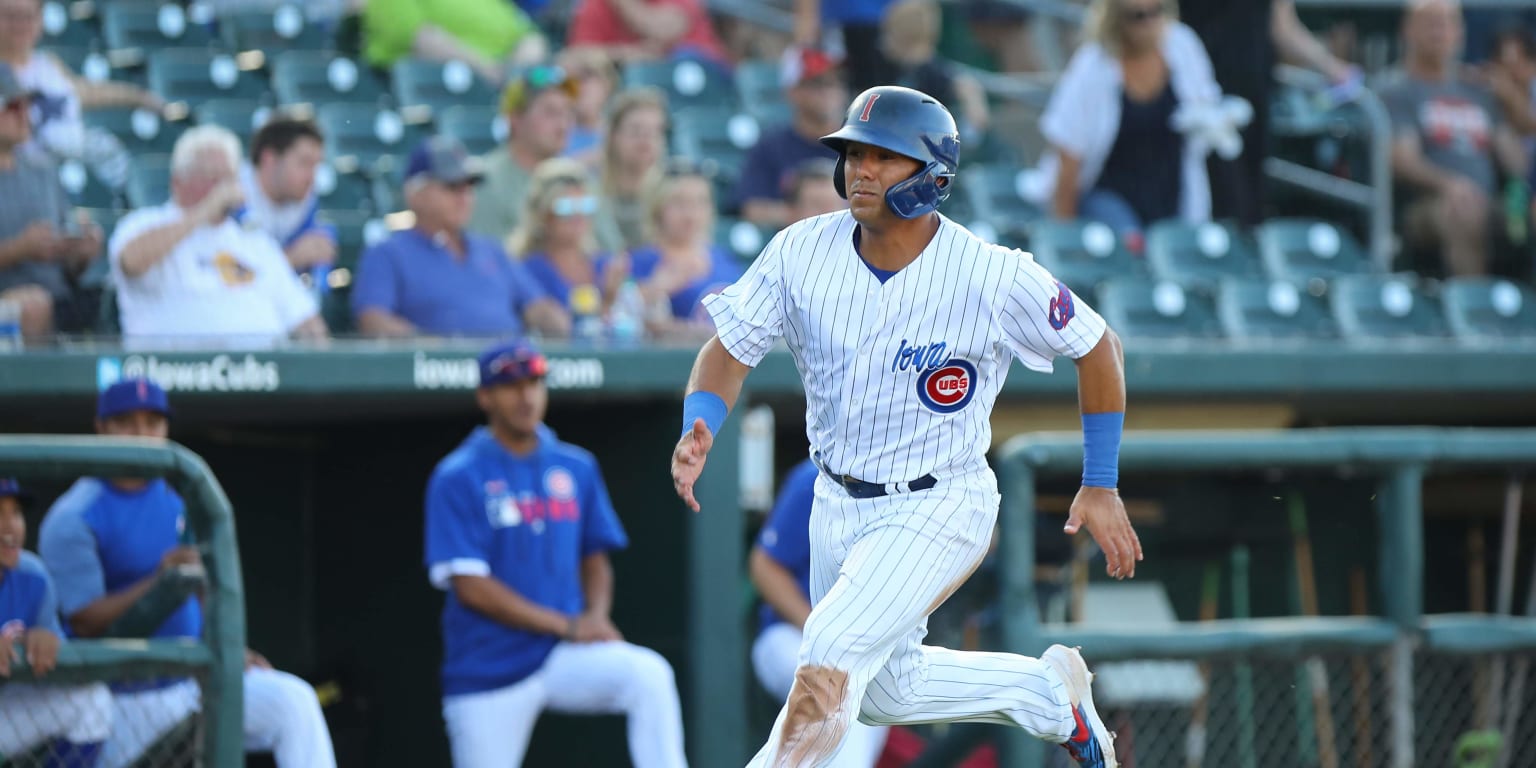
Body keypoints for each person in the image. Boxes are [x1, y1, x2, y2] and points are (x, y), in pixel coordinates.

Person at [669, 86, 1138, 768]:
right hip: (836, 499)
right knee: (888, 691)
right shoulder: (801, 250)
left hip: (938, 500)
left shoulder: (991, 273)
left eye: (885, 157)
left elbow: (1099, 346)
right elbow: (728, 350)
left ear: (933, 176)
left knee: (827, 654)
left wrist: (1100, 482)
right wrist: (701, 420)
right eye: (854, 152)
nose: (861, 169)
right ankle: (1046, 696)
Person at [38, 378, 337, 768]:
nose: (142, 434)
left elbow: (202, 586)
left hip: (193, 680)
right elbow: (83, 620)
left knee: (294, 702)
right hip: (124, 698)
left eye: (153, 422)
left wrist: (226, 647)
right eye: (126, 422)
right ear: (101, 428)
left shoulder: (176, 497)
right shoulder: (74, 515)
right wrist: (158, 581)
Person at [425, 340, 689, 768]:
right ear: (485, 396)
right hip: (489, 664)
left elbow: (594, 555)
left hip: (562, 653)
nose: (527, 396)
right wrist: (567, 625)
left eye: (535, 383)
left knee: (649, 676)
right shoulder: (458, 474)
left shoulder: (575, 465)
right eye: (511, 386)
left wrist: (596, 616)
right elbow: (470, 586)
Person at [1027, 0, 1226, 251]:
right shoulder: (1092, 66)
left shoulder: (1183, 45)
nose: (1150, 23)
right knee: (1132, 246)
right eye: (1138, 16)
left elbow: (1207, 106)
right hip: (1108, 197)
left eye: (1157, 12)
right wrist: (1065, 240)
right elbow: (1068, 156)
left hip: (1169, 193)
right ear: (1115, 20)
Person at [108, 126, 328, 348]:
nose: (222, 188)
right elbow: (130, 262)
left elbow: (305, 318)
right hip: (174, 371)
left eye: (228, 178)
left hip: (260, 372)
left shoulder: (255, 241)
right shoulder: (144, 223)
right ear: (178, 181)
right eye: (211, 177)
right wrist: (203, 212)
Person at [353, 136, 570, 339]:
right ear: (415, 194)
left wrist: (556, 322)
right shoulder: (388, 253)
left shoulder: (491, 250)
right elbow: (373, 322)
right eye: (452, 186)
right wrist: (437, 351)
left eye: (469, 187)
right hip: (434, 374)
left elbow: (539, 309)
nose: (464, 197)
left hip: (507, 372)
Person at [749, 458, 888, 768]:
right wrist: (822, 629)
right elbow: (764, 566)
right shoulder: (815, 477)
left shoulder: (910, 482)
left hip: (863, 649)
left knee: (871, 696)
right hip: (790, 635)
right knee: (844, 689)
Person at [1178, 0, 1360, 226]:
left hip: (1253, 98)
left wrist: (1332, 67)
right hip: (1195, 100)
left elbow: (1283, 29)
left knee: (1247, 207)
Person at [1381, 0, 1528, 277]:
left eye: (1448, 22)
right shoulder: (1396, 89)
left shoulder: (1477, 90)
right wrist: (1449, 184)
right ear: (1408, 30)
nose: (1440, 31)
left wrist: (1508, 96)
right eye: (1431, 22)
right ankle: (1476, 310)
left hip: (1495, 202)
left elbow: (1517, 164)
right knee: (1463, 209)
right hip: (1426, 206)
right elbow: (1403, 161)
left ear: (1460, 32)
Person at [0, 478, 113, 767]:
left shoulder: (34, 576)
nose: (10, 526)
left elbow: (60, 666)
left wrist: (39, 638)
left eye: (15, 513)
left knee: (92, 702)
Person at [0, 0, 157, 187]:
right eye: (11, 15)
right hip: (21, 184)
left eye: (28, 16)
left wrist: (140, 98)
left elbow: (87, 92)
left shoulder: (48, 64)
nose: (20, 24)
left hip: (70, 174)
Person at [0, 61, 100, 339]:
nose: (25, 116)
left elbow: (65, 270)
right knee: (32, 304)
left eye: (26, 106)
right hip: (12, 304)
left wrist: (78, 253)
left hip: (58, 301)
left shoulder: (43, 172)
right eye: (12, 107)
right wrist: (18, 249)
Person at [732, 47, 845, 227]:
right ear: (792, 91)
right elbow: (752, 208)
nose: (827, 91)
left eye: (834, 82)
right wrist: (810, 215)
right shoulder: (771, 146)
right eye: (817, 83)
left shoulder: (855, 145)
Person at [468, 66, 580, 244]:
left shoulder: (576, 177)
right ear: (515, 119)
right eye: (551, 113)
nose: (563, 125)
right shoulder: (485, 181)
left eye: (568, 113)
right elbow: (487, 262)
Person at [628, 162, 742, 333]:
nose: (691, 214)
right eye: (679, 203)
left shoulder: (723, 258)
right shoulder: (639, 262)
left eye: (700, 202)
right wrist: (655, 289)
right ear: (658, 208)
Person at [508, 157, 624, 313]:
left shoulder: (604, 265)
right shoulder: (528, 271)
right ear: (543, 215)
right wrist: (607, 303)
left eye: (585, 205)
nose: (578, 215)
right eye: (566, 207)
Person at [361, 0, 549, 87]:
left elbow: (531, 37)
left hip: (505, 83)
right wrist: (487, 71)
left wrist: (514, 73)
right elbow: (416, 36)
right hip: (439, 87)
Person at [239, 116, 336, 274]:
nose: (311, 177)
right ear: (269, 159)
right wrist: (290, 259)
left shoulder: (307, 201)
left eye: (316, 166)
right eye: (304, 163)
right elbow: (230, 277)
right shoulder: (231, 197)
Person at [596, 88, 669, 251]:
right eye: (636, 130)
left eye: (655, 131)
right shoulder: (591, 192)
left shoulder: (671, 196)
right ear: (613, 135)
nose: (646, 139)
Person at [566, 0, 730, 67]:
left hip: (705, 79)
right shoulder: (595, 6)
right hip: (626, 92)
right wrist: (629, 55)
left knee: (685, 57)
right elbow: (574, 58)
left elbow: (662, 30)